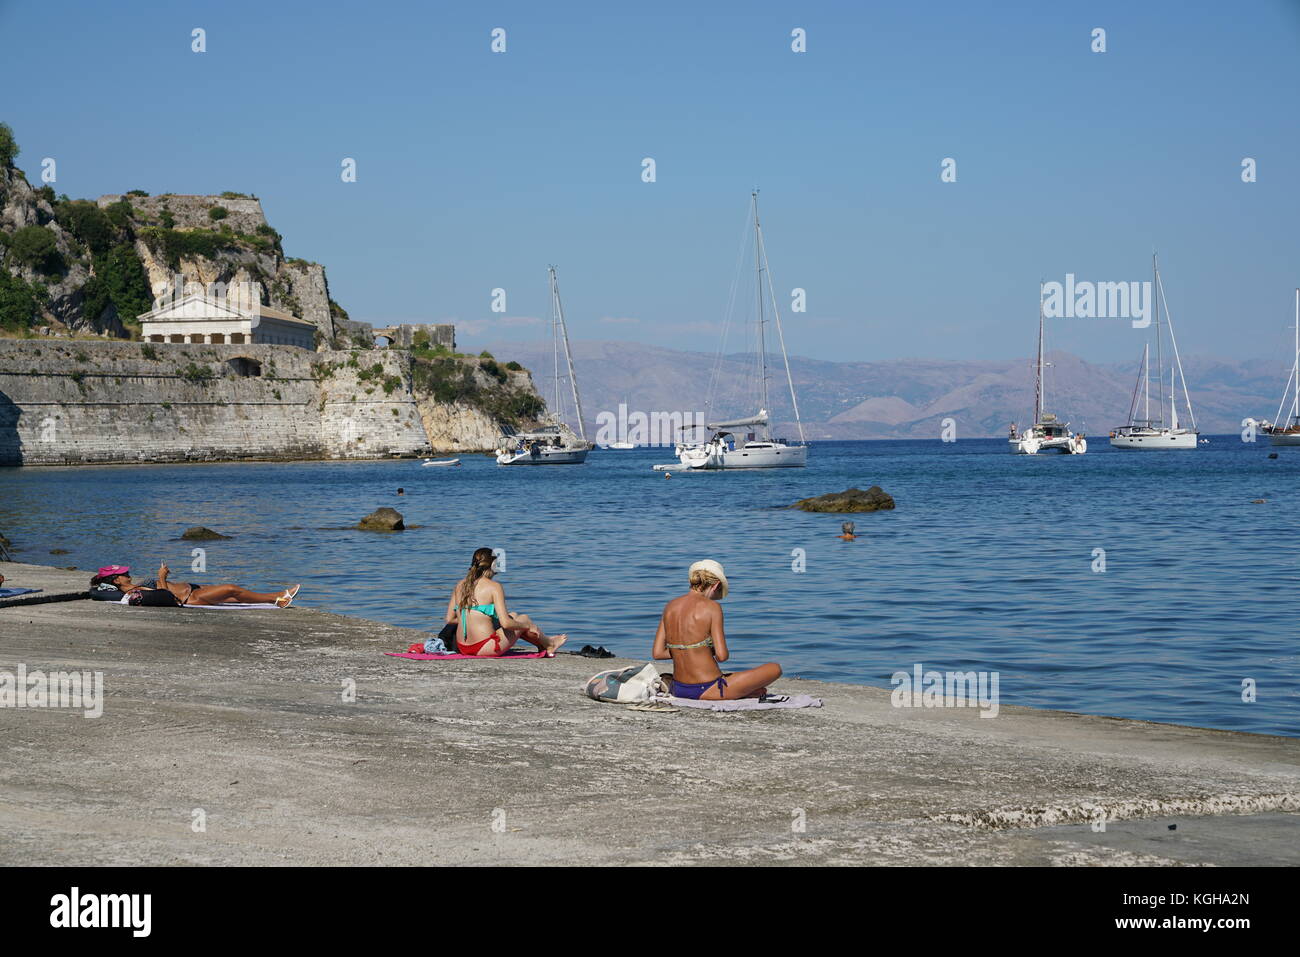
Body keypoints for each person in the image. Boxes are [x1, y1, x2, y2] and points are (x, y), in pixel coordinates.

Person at [651, 559, 781, 700]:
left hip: (679, 688)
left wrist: (690, 651)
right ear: (716, 585)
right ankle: (738, 694)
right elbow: (722, 656)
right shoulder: (712, 607)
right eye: (718, 592)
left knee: (753, 687)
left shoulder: (670, 606)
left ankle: (742, 693)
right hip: (708, 688)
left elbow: (658, 653)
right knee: (775, 668)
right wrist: (704, 650)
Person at [444, 547, 566, 657]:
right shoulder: (494, 586)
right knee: (524, 619)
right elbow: (506, 624)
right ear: (492, 565)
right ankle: (550, 644)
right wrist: (528, 626)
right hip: (485, 647)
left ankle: (541, 645)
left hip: (463, 647)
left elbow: (449, 619)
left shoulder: (460, 585)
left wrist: (477, 619)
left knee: (513, 616)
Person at [89, 564, 300, 607]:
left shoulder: (133, 586)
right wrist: (161, 576)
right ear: (116, 580)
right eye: (124, 574)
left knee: (238, 597)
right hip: (189, 598)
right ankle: (278, 596)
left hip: (193, 592)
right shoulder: (133, 591)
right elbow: (164, 595)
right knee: (231, 589)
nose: (128, 574)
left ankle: (277, 599)